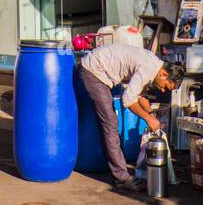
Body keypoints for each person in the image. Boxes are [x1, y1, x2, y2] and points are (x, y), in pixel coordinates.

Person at [78, 42, 183, 191]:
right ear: (164, 74)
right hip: (94, 71)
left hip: (103, 71)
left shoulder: (155, 66)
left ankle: (119, 170)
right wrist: (148, 118)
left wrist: (151, 114)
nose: (163, 90)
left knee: (111, 121)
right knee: (110, 123)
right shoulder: (148, 68)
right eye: (166, 86)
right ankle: (121, 178)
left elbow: (139, 94)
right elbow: (127, 99)